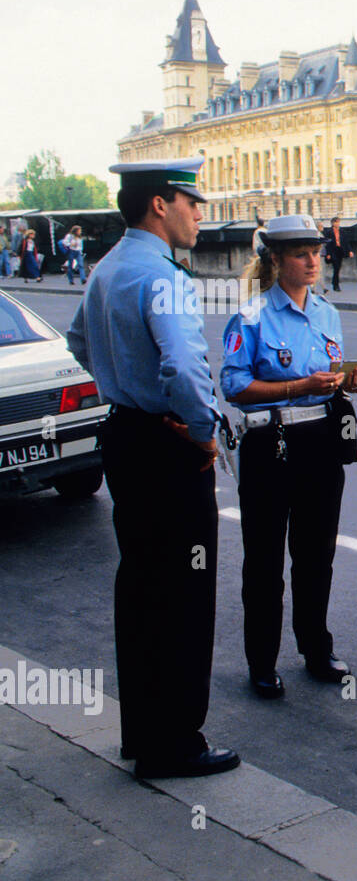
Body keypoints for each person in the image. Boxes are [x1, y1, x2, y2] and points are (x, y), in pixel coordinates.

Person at [66, 157, 240, 781]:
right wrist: (199, 432)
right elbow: (187, 372)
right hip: (168, 450)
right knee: (185, 595)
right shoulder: (166, 277)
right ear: (160, 204)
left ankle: (141, 732)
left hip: (124, 440)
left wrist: (127, 388)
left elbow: (78, 342)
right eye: (192, 200)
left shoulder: (108, 268)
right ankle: (177, 744)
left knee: (140, 589)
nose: (200, 212)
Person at [221, 214, 357, 699]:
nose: (313, 262)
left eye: (317, 252)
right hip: (271, 444)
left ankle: (315, 647)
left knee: (316, 556)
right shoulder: (251, 317)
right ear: (276, 260)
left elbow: (328, 373)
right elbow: (235, 385)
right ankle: (262, 662)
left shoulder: (328, 313)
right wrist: (296, 387)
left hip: (321, 442)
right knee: (264, 561)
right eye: (302, 254)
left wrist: (346, 381)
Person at [322, 216, 352, 293]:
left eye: (338, 222)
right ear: (332, 223)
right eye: (336, 222)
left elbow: (346, 242)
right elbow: (328, 243)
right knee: (336, 267)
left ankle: (335, 282)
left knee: (338, 268)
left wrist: (350, 251)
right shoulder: (329, 231)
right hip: (333, 251)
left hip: (340, 250)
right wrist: (328, 253)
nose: (337, 224)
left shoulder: (342, 231)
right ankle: (336, 285)